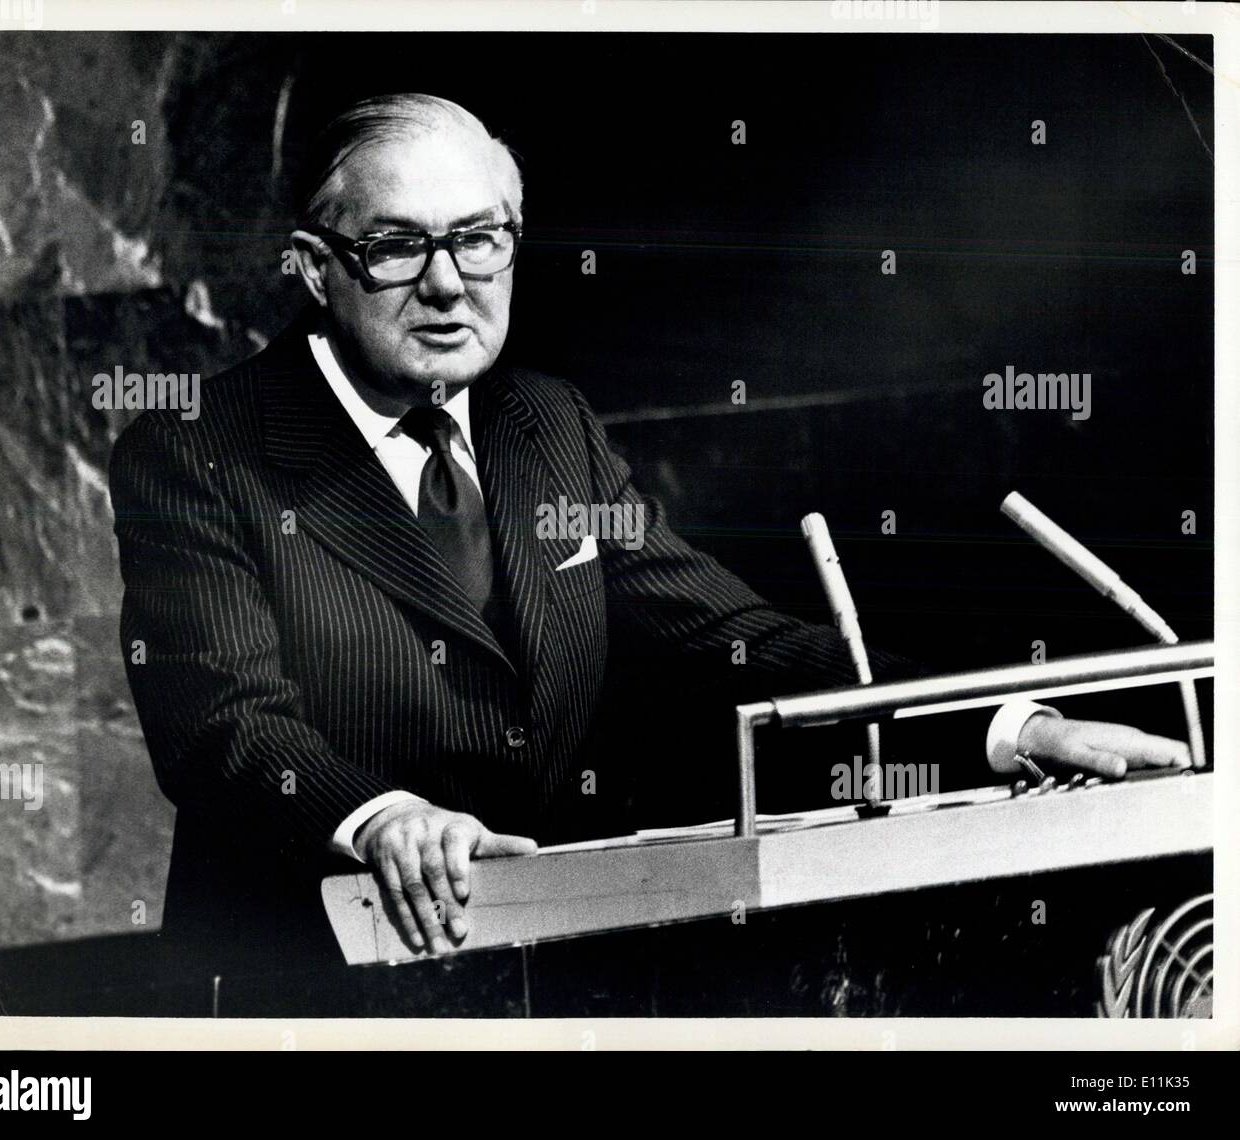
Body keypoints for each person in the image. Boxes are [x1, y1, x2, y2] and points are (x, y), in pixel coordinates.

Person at [110, 93, 1190, 966]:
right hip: (297, 976)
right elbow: (222, 722)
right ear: (310, 265)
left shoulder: (547, 426)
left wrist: (1007, 730)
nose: (447, 284)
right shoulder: (201, 449)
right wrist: (386, 818)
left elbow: (732, 641)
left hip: (537, 967)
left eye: (479, 240)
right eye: (395, 247)